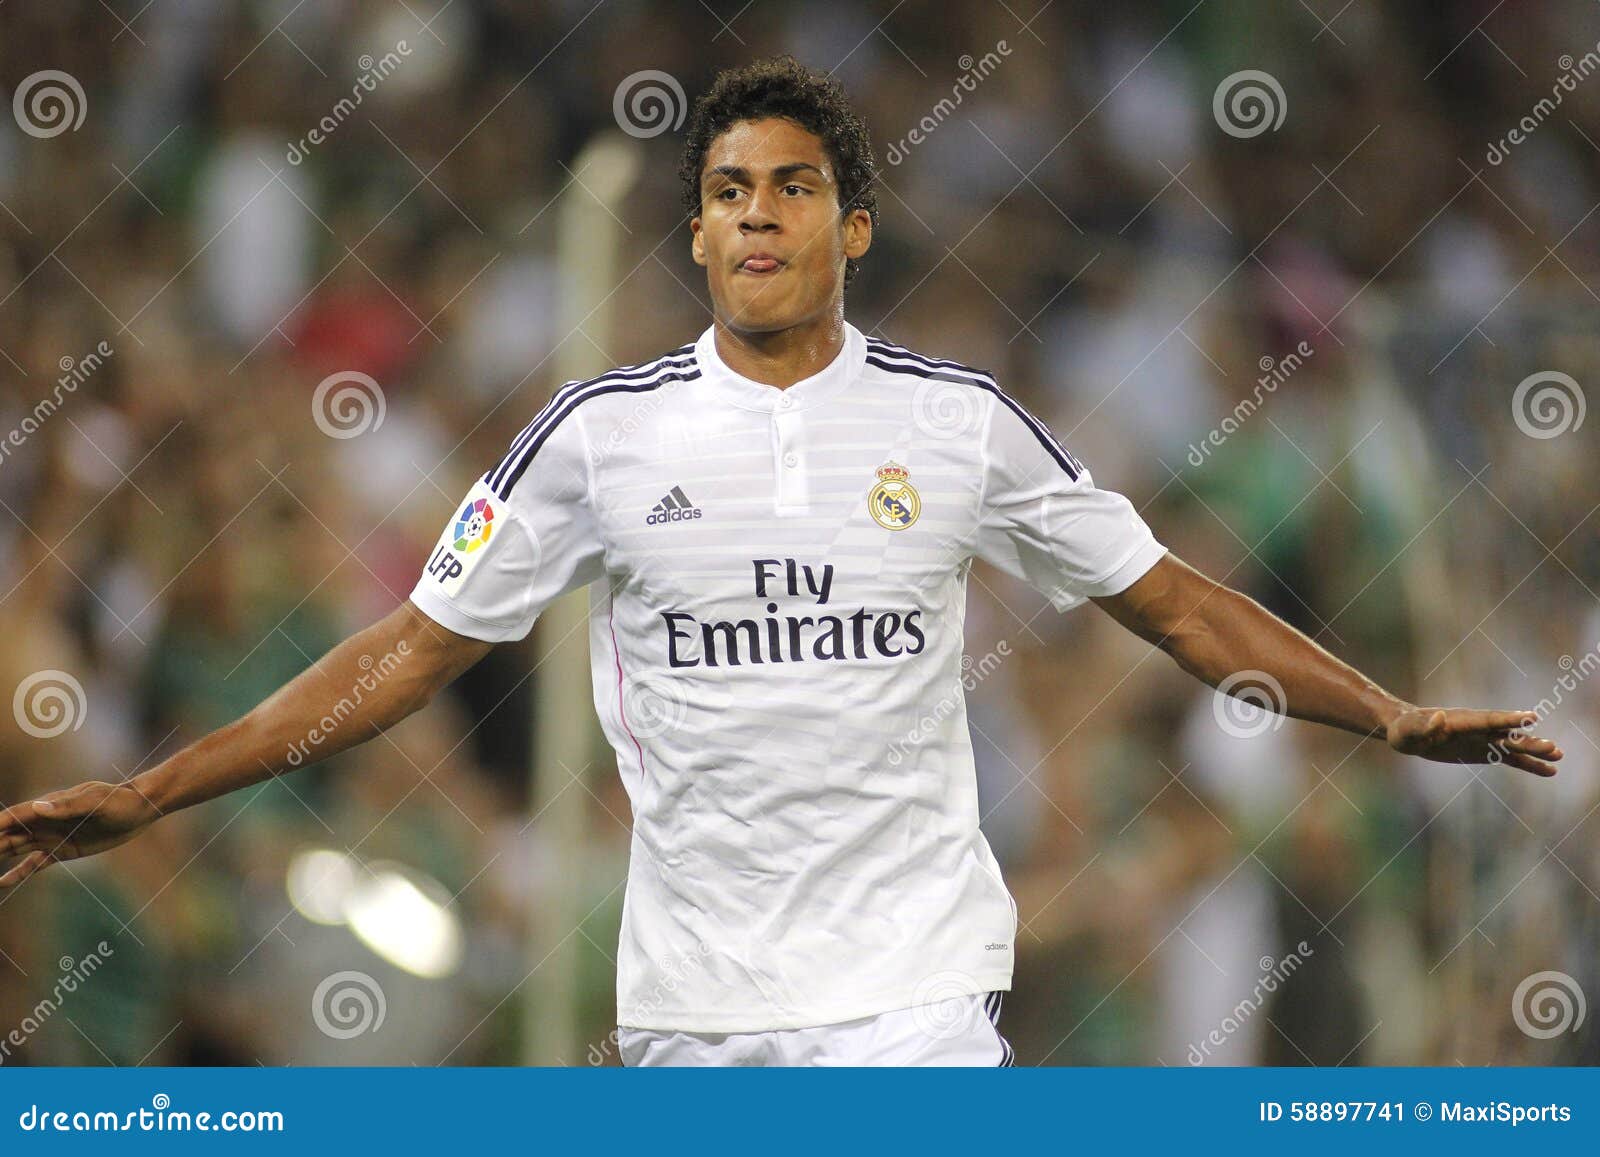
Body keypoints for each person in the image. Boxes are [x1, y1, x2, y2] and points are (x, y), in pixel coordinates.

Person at [0, 57, 1563, 1066]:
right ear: (693, 234)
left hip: (916, 1013)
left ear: (854, 227)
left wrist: (1389, 714)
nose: (757, 217)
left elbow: (1176, 607)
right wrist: (152, 788)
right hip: (691, 1017)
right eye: (730, 192)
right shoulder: (596, 437)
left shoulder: (962, 424)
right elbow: (400, 658)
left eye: (793, 187)